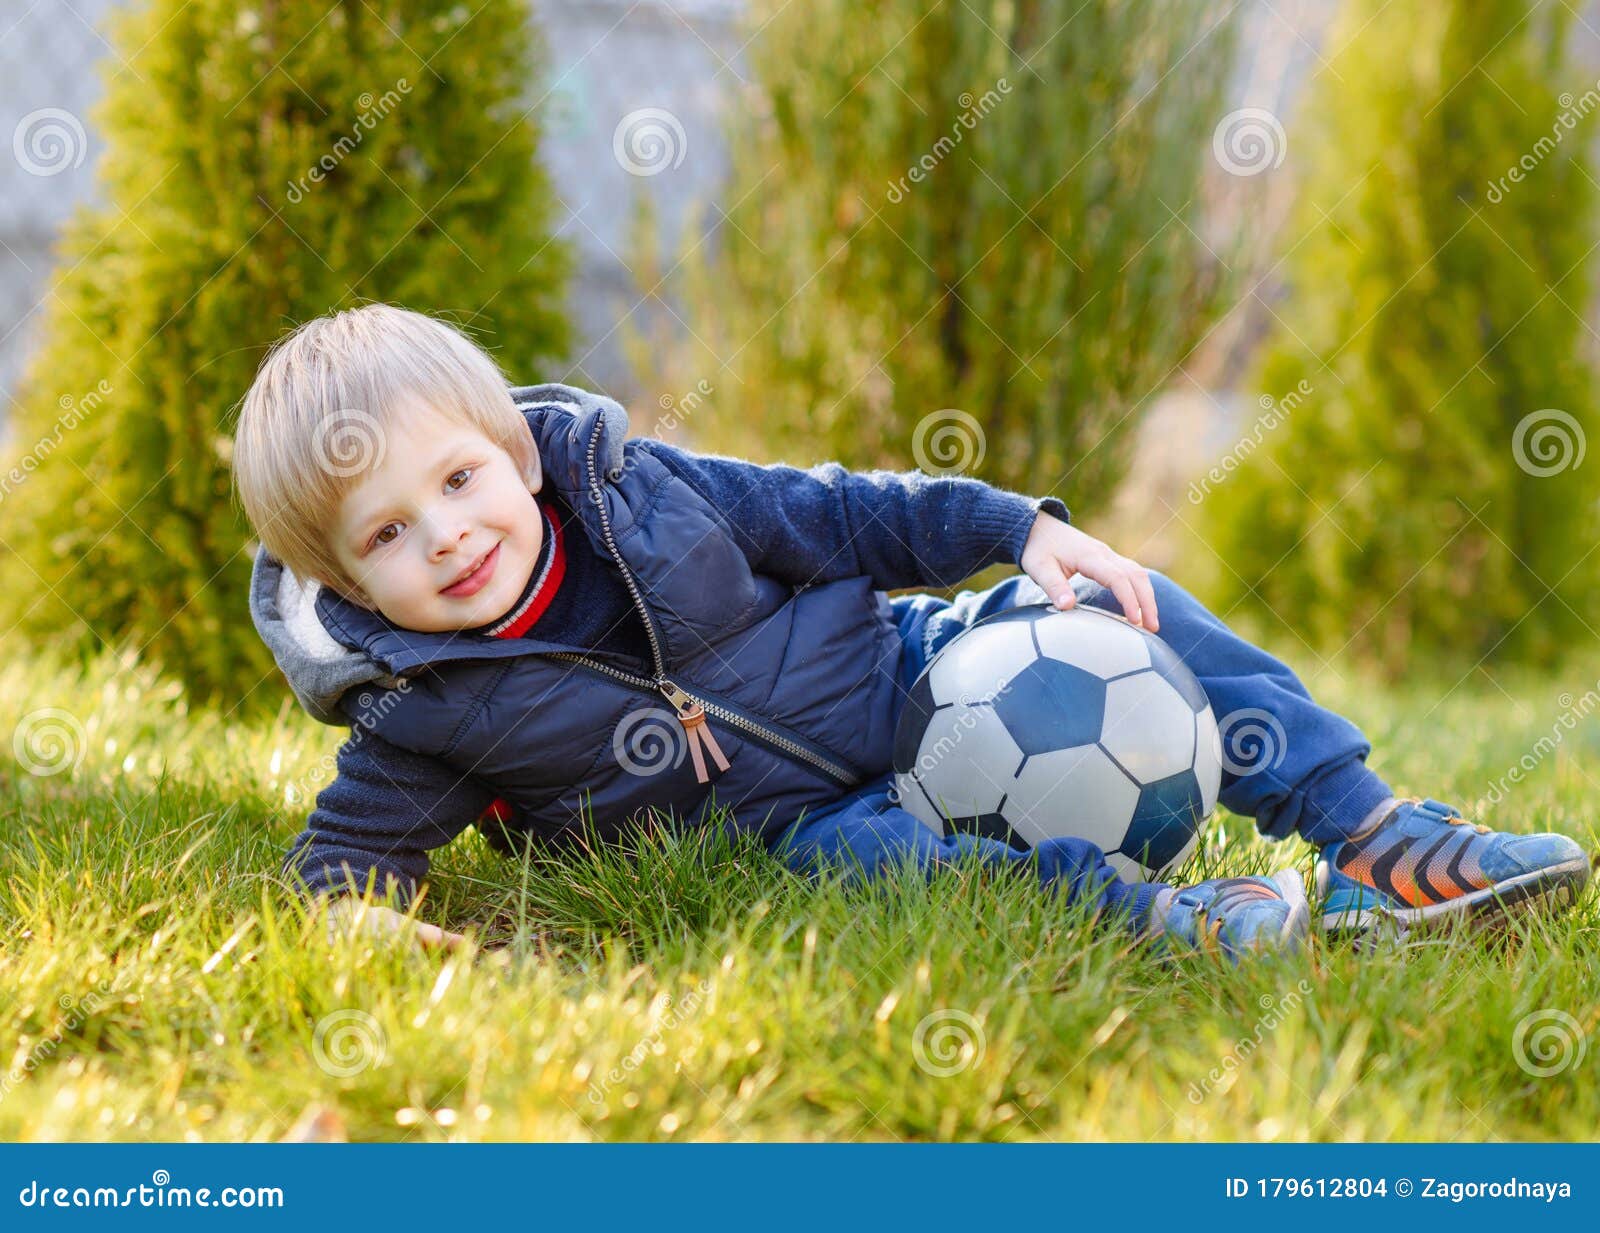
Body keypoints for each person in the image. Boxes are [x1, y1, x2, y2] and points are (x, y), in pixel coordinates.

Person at [233, 305, 1590, 965]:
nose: (447, 536)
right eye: (387, 534)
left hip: (917, 672)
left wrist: (1023, 532)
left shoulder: (645, 492)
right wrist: (365, 924)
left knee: (1126, 606)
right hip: (793, 826)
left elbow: (847, 514)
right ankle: (1183, 923)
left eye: (457, 482)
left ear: (516, 452)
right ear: (343, 580)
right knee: (889, 865)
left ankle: (1374, 834)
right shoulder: (423, 705)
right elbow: (342, 861)